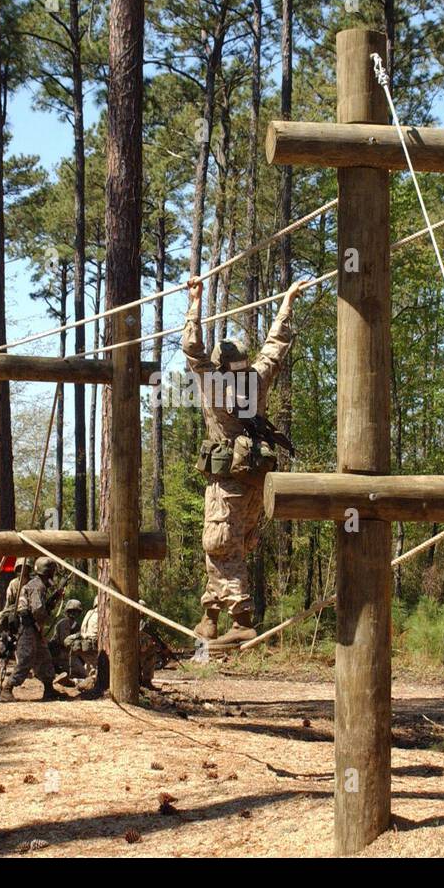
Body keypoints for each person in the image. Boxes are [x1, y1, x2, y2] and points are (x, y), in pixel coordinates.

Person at [182, 273, 313, 646]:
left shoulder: (215, 385)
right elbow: (276, 345)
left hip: (229, 483)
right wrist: (287, 302)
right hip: (256, 483)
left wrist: (195, 302)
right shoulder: (256, 380)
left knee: (221, 544)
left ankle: (239, 620)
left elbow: (192, 349)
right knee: (229, 543)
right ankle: (209, 617)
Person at [0, 557, 61, 702]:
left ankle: (49, 689)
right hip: (26, 627)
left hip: (32, 627)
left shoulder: (38, 584)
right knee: (26, 658)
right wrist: (47, 614)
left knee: (44, 656)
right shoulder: (37, 586)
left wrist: (53, 600)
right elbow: (38, 610)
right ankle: (7, 689)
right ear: (49, 573)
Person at [51, 599, 85, 685]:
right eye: (73, 611)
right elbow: (65, 642)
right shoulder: (65, 623)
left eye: (76, 611)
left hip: (67, 654)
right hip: (61, 655)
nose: (74, 613)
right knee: (83, 673)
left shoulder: (73, 623)